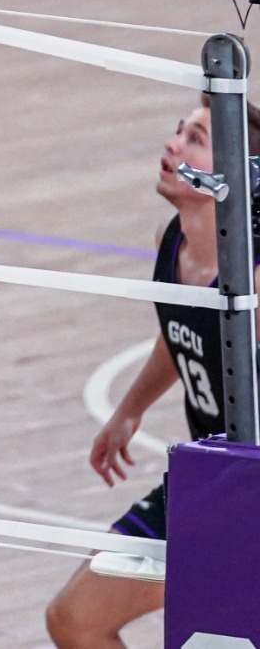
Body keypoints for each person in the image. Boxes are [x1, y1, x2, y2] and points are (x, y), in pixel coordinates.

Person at [44, 102, 260, 648]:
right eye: (178, 131)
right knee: (75, 620)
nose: (174, 146)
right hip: (208, 482)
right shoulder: (175, 241)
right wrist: (129, 411)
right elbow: (181, 329)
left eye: (196, 138)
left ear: (235, 173)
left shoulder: (254, 281)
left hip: (250, 494)